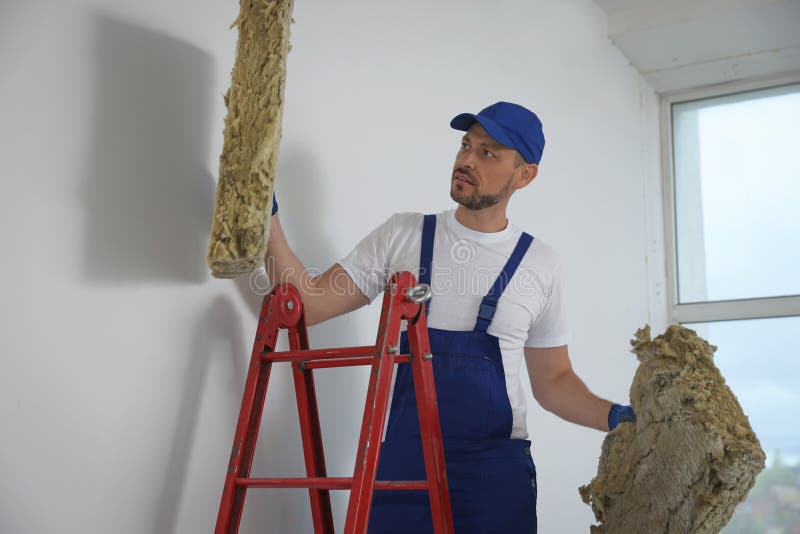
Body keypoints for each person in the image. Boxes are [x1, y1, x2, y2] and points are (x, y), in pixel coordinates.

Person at [264, 101, 635, 533]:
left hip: (493, 479)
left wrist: (614, 417)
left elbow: (553, 382)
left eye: (488, 152)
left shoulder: (540, 264)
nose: (466, 160)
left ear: (524, 175)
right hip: (404, 467)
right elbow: (309, 306)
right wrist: (267, 222)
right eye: (466, 146)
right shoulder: (402, 235)